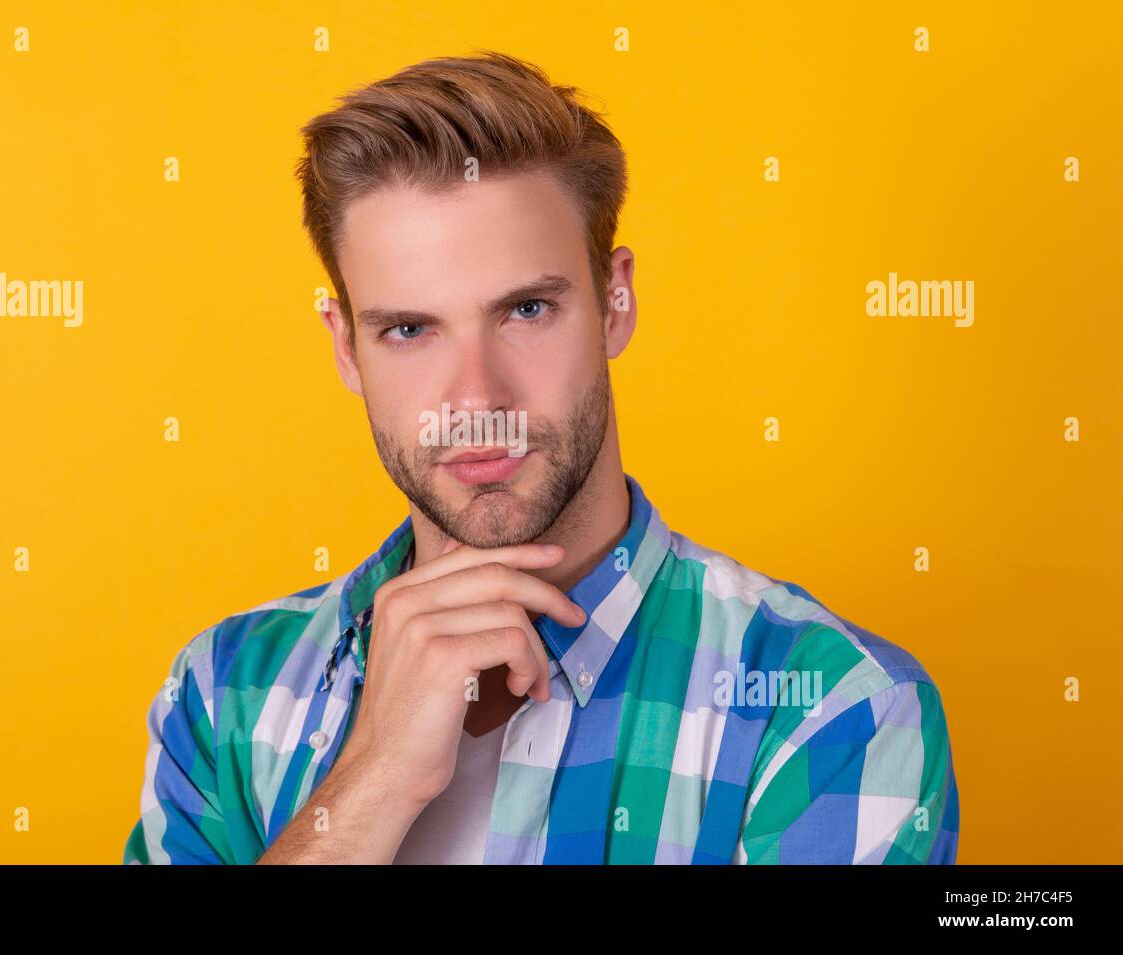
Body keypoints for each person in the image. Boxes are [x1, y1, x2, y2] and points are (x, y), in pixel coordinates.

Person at [124, 50, 959, 865]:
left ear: (614, 302)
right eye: (408, 330)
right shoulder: (220, 698)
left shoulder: (834, 709)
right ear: (347, 348)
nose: (476, 399)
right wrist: (371, 780)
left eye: (526, 309)